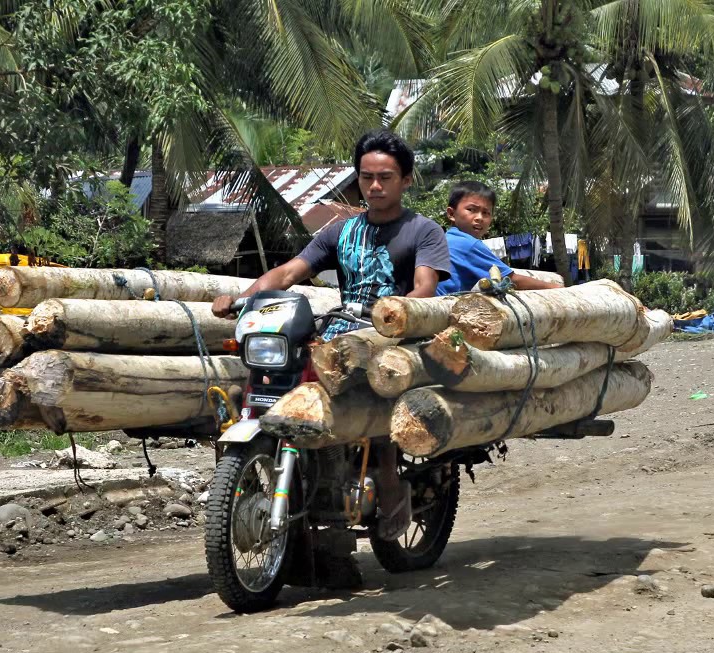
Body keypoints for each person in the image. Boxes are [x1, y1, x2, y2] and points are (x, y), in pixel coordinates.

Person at [211, 129, 451, 542]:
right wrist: (242, 297)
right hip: (340, 334)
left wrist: (394, 318)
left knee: (379, 395)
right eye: (366, 176)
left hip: (395, 336)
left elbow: (425, 288)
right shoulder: (340, 232)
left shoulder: (423, 231)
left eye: (386, 177)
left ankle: (390, 484)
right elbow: (289, 272)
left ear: (406, 180)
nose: (374, 186)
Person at [437, 180, 563, 295]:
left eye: (486, 213)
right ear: (451, 214)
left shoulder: (447, 238)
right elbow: (512, 280)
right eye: (471, 210)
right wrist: (554, 288)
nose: (479, 218)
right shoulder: (467, 244)